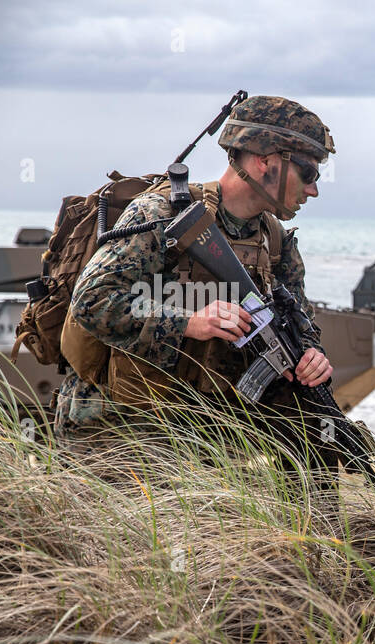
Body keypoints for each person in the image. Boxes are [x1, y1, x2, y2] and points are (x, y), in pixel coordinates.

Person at [54, 94, 337, 483]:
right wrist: (188, 322)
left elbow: (302, 323)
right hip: (116, 431)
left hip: (199, 440)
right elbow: (91, 301)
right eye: (308, 173)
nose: (313, 190)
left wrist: (312, 355)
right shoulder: (161, 217)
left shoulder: (275, 241)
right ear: (266, 161)